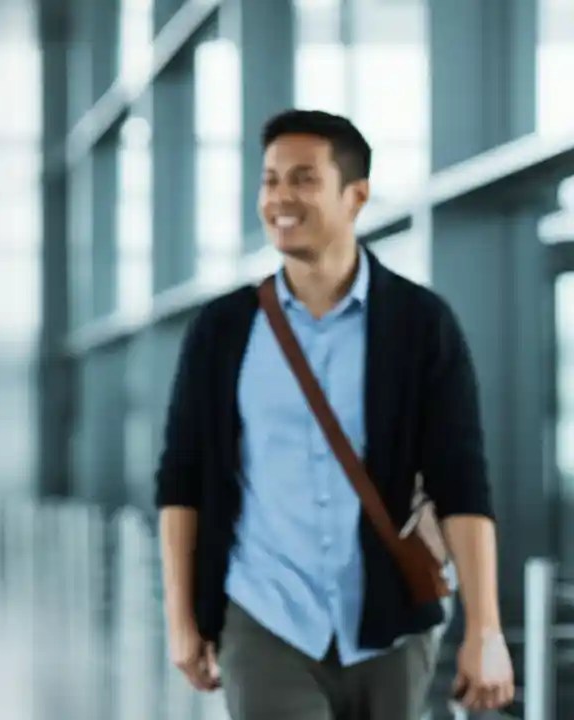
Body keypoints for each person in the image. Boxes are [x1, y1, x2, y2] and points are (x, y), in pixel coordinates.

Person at [155, 109, 514, 720]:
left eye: (303, 179)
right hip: (264, 616)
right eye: (269, 180)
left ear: (356, 196)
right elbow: (181, 481)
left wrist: (486, 630)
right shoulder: (222, 330)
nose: (280, 198)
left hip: (391, 625)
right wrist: (182, 618)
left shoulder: (421, 324)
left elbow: (462, 484)